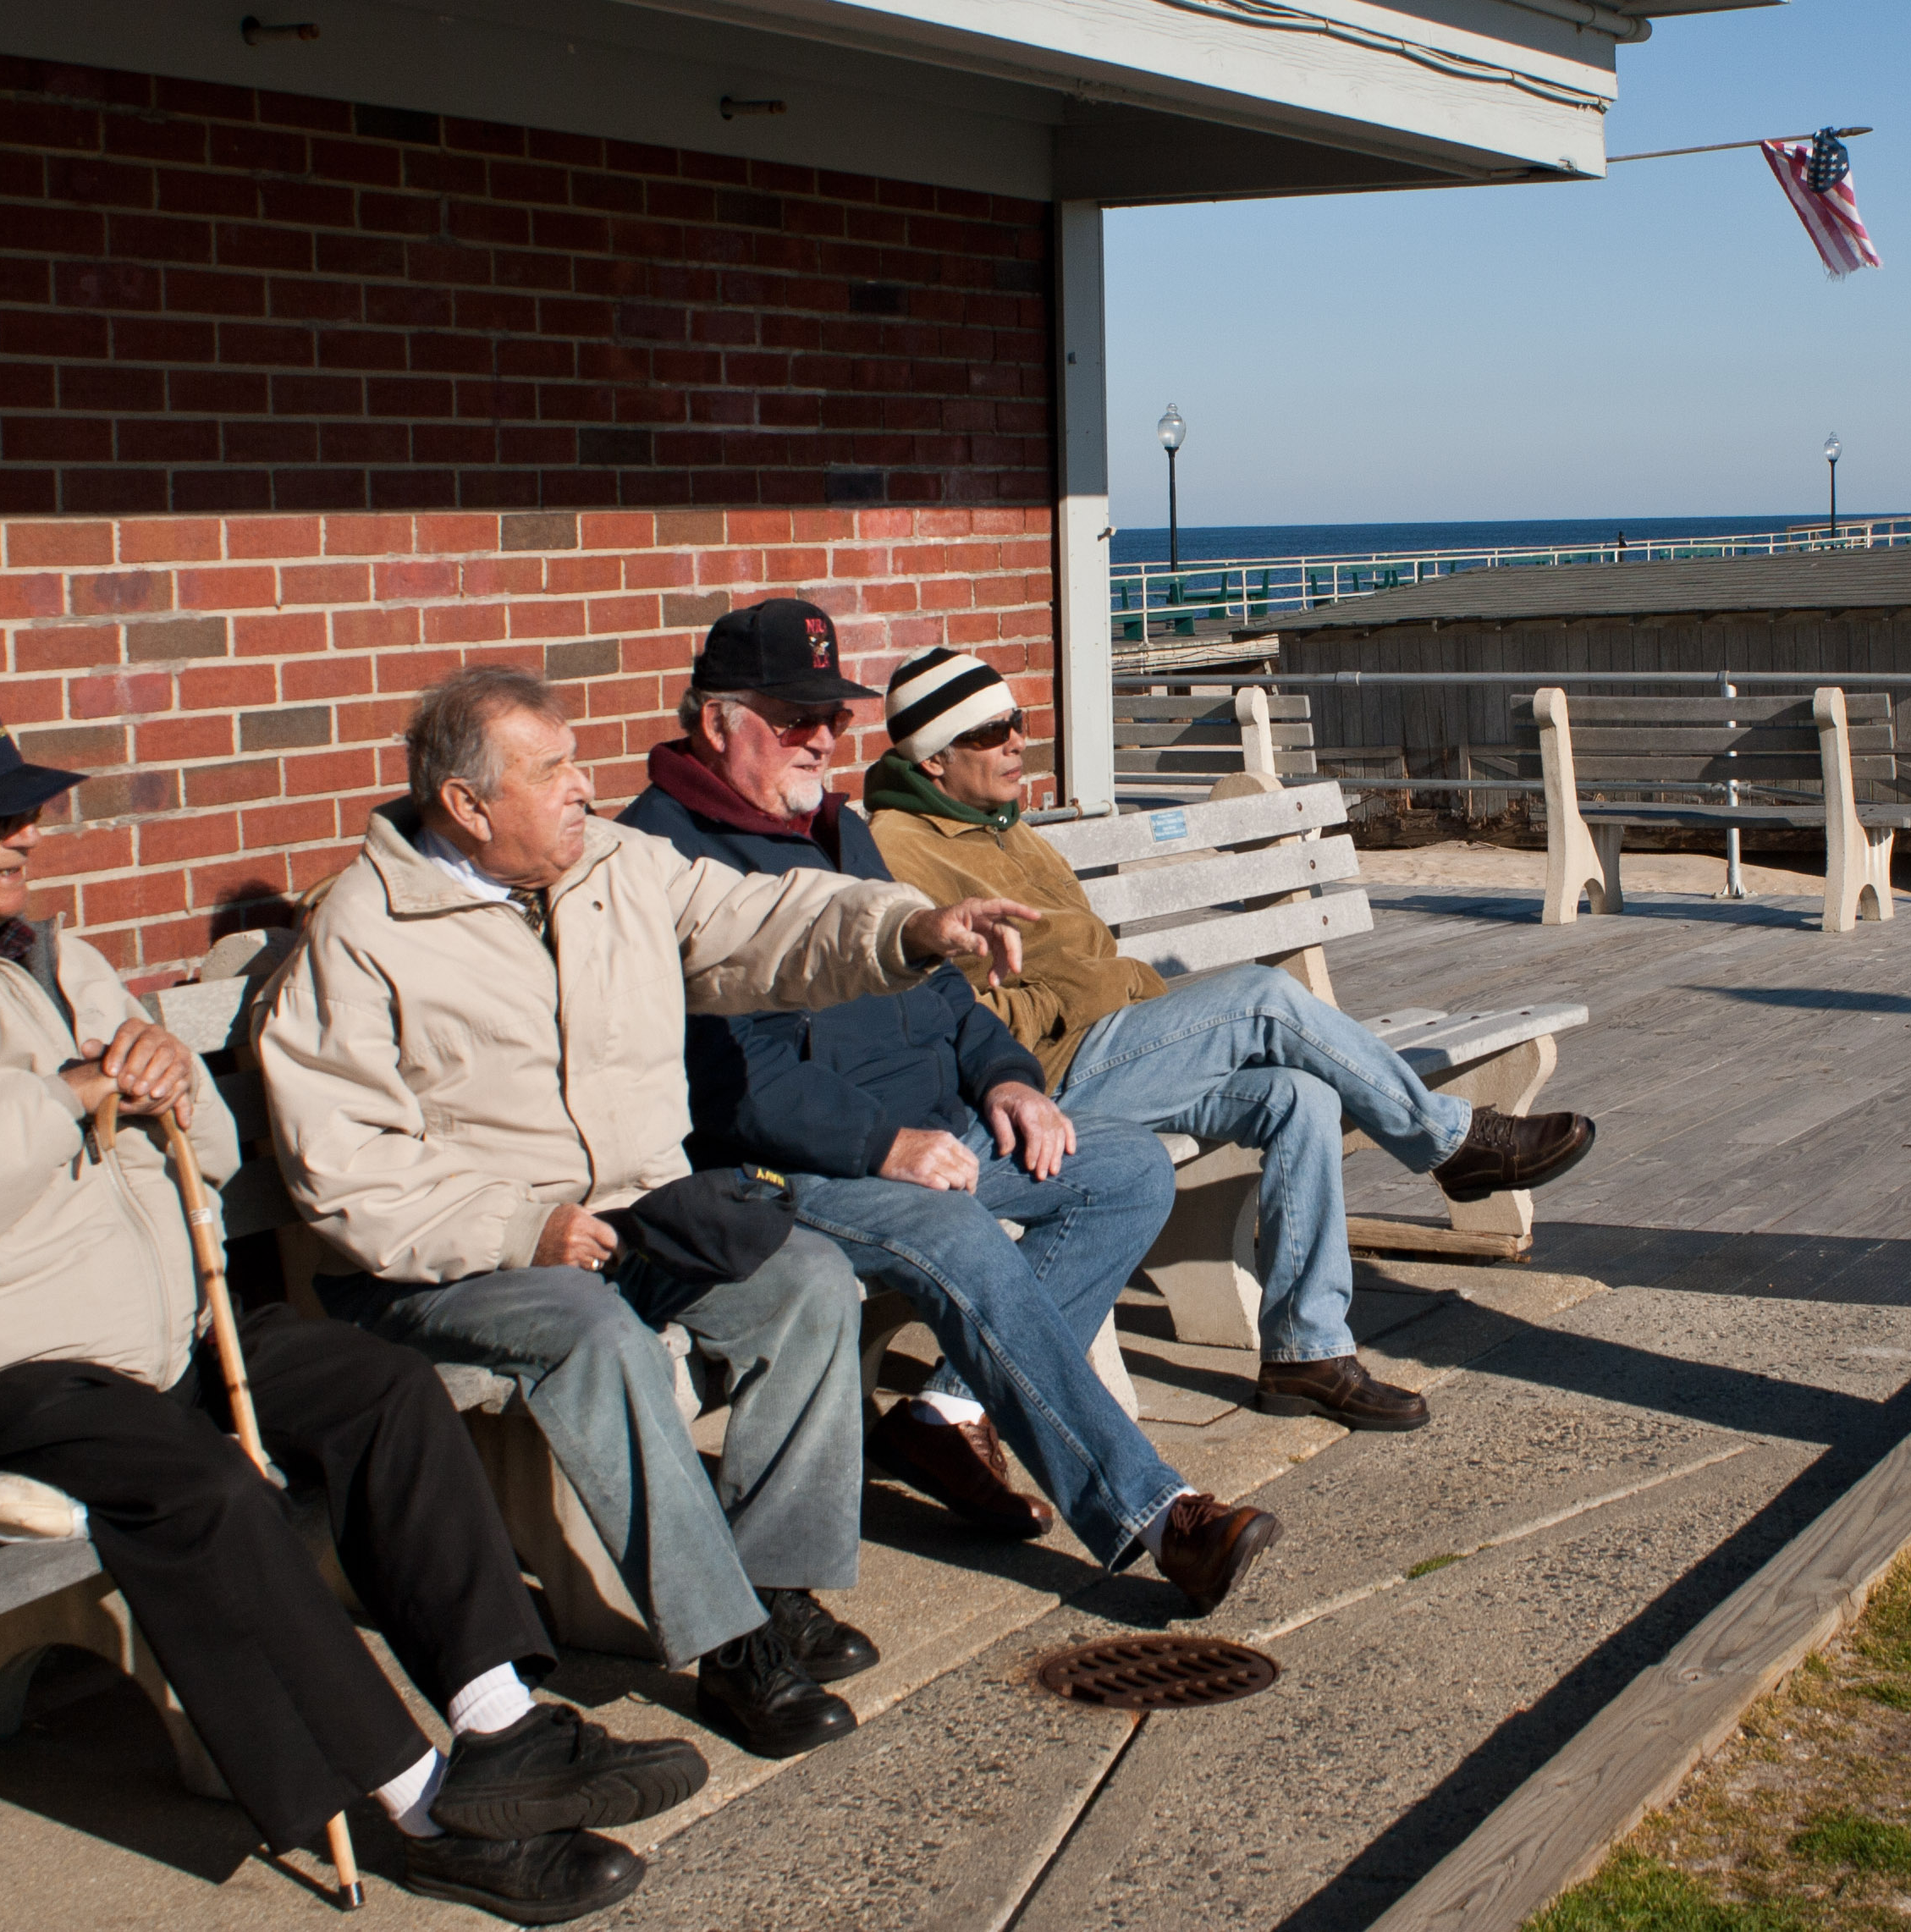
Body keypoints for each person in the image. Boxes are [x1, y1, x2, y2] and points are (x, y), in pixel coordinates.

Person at [0, 689, 695, 1924]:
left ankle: (498, 1724)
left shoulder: (46, 954)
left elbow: (190, 1137)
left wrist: (163, 1079)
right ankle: (416, 1806)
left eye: (27, 810)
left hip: (138, 1341)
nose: (23, 837)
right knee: (200, 1487)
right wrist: (67, 1092)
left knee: (376, 1387)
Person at [256, 666, 1052, 1759]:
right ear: (467, 806)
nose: (585, 787)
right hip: (451, 1264)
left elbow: (761, 916)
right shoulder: (363, 930)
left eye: (576, 761)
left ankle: (774, 1582)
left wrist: (913, 925)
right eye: (552, 772)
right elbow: (344, 1169)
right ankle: (728, 1641)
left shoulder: (613, 867)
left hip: (629, 1218)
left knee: (806, 1282)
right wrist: (516, 1229)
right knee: (601, 1339)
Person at [616, 600, 1283, 1613]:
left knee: (1123, 1168)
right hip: (789, 1174)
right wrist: (883, 1144)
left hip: (939, 1130)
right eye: (793, 717)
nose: (822, 739)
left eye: (832, 717)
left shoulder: (835, 827)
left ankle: (943, 1415)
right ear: (716, 723)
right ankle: (1153, 1514)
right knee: (957, 1232)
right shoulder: (657, 860)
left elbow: (939, 988)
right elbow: (720, 1074)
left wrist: (1007, 1078)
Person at [862, 648, 1599, 1432]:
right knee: (1264, 998)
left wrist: (1106, 985)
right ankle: (1449, 1142)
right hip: (1043, 1079)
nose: (1016, 741)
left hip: (1111, 1039)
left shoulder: (1008, 828)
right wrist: (1091, 991)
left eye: (1018, 721)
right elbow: (949, 1016)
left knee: (1301, 1095)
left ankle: (1305, 1352)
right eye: (990, 732)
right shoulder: (899, 851)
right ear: (933, 758)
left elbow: (1094, 957)